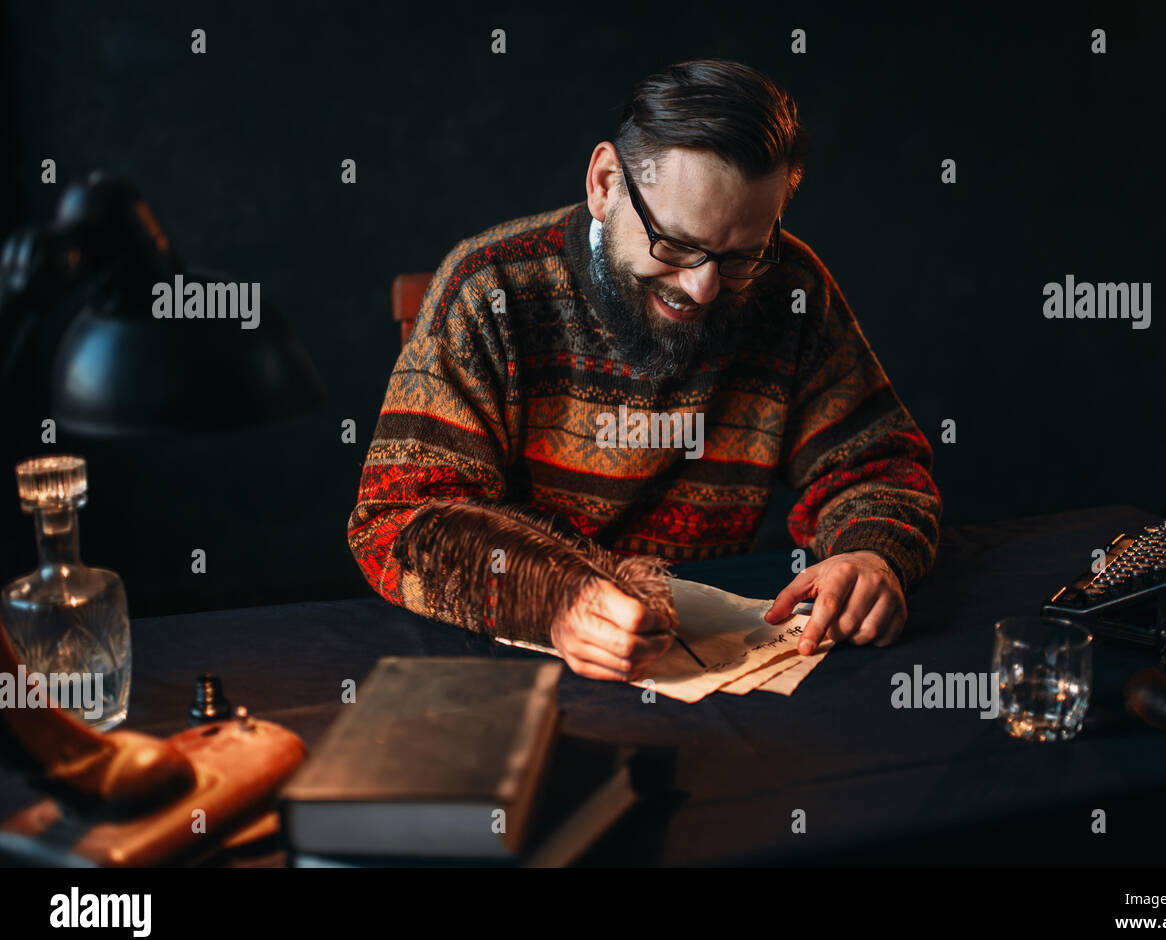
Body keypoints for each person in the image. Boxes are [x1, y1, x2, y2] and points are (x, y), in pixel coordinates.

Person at [347, 58, 942, 682]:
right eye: (676, 244)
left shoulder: (790, 287)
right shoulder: (490, 288)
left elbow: (876, 465)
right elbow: (397, 522)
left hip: (716, 661)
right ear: (605, 183)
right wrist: (549, 598)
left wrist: (871, 552)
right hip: (513, 660)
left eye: (741, 256)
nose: (704, 287)